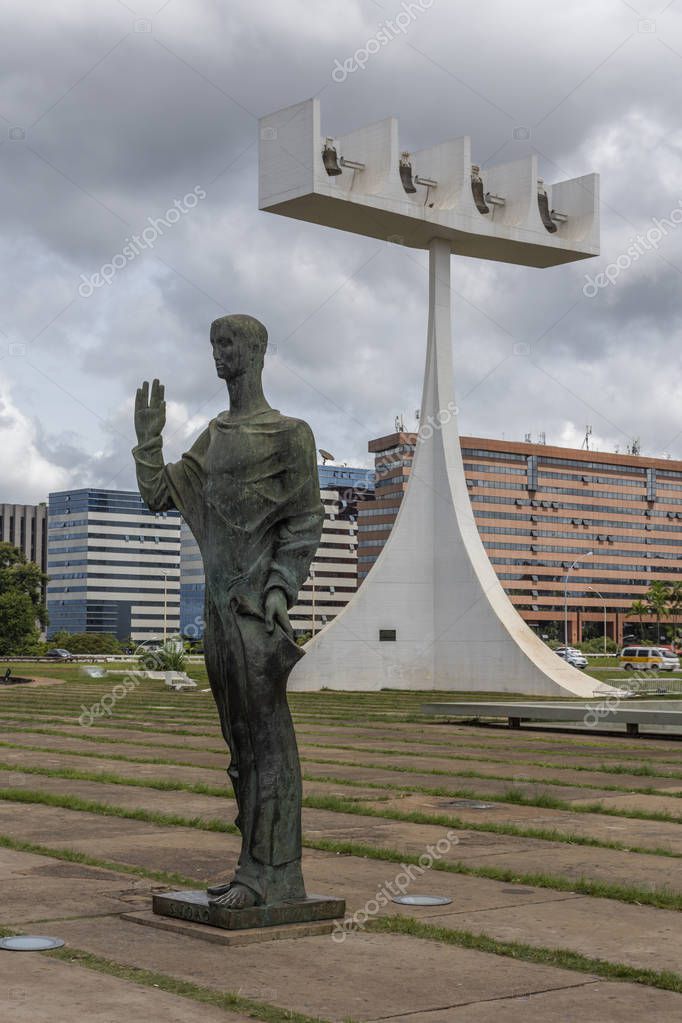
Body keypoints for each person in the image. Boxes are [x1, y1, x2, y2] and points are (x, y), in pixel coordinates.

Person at [133, 314, 323, 908]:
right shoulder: (213, 436)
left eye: (228, 343)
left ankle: (274, 874)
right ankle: (253, 867)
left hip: (255, 615)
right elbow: (158, 494)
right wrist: (148, 439)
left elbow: (306, 521)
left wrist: (280, 588)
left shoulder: (291, 434)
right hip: (218, 618)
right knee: (239, 745)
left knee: (267, 742)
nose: (218, 354)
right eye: (213, 343)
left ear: (257, 350)